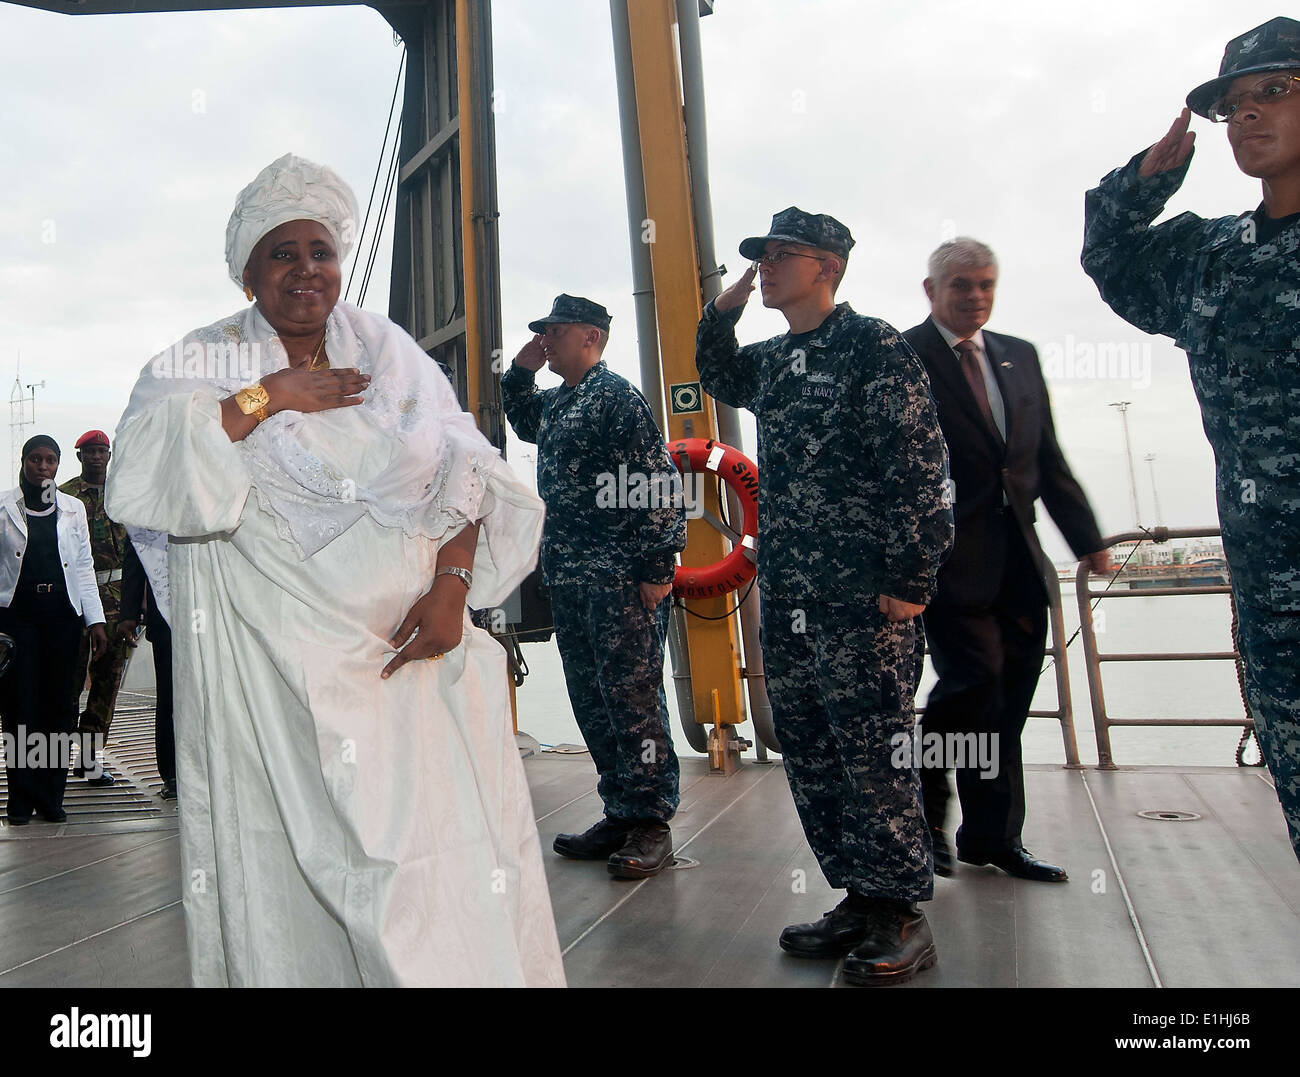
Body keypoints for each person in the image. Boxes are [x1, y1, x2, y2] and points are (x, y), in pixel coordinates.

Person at [104, 153, 565, 986]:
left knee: (426, 871)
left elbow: (473, 469)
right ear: (249, 274)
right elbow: (139, 473)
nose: (305, 270)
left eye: (319, 250)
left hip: (411, 658)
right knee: (314, 873)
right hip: (274, 677)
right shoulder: (205, 361)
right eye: (282, 253)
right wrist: (266, 396)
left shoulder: (391, 355)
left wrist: (454, 584)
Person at [695, 208, 953, 985]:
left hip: (864, 602)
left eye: (784, 255)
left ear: (828, 267)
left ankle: (902, 912)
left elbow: (918, 467)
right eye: (763, 256)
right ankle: (859, 892)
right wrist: (720, 315)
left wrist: (911, 579)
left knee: (874, 755)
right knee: (810, 750)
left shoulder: (873, 347)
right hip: (794, 595)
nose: (767, 267)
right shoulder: (774, 360)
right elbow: (720, 374)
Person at [1082, 15, 1300, 862]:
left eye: (1274, 92)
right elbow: (1112, 257)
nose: (1247, 116)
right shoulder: (1217, 257)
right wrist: (1141, 183)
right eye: (1233, 105)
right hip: (1273, 608)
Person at [904, 239, 1110, 883]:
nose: (976, 296)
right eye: (961, 284)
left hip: (1021, 565)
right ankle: (924, 812)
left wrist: (1087, 540)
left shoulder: (1018, 358)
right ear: (931, 290)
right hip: (945, 562)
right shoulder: (904, 357)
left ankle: (992, 837)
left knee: (1008, 702)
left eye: (986, 284)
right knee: (973, 683)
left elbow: (1043, 457)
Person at [501, 295, 686, 879]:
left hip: (621, 582)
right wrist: (521, 371)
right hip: (572, 580)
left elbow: (655, 481)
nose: (546, 339)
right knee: (592, 700)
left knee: (634, 703)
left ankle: (651, 821)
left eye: (553, 332)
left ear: (589, 336)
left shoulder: (616, 398)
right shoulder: (559, 404)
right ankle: (620, 810)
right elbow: (522, 417)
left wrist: (658, 568)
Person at [0, 436, 107, 825]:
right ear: (24, 462)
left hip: (63, 619)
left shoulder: (73, 509)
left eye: (49, 460)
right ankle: (20, 799)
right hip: (17, 621)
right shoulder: (4, 507)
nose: (42, 467)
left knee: (59, 709)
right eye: (35, 460)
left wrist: (95, 620)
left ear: (58, 465)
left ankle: (51, 797)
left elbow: (83, 566)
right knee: (20, 709)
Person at [60, 429, 130, 787]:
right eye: (90, 451)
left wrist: (140, 603)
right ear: (80, 457)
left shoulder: (126, 492)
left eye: (102, 451)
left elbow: (140, 548)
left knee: (106, 683)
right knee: (68, 682)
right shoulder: (65, 497)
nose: (97, 457)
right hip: (76, 600)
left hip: (118, 603)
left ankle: (89, 761)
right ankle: (54, 764)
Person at [117, 537, 175, 800]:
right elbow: (136, 554)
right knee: (169, 697)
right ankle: (172, 774)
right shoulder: (152, 501)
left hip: (207, 614)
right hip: (164, 618)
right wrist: (128, 614)